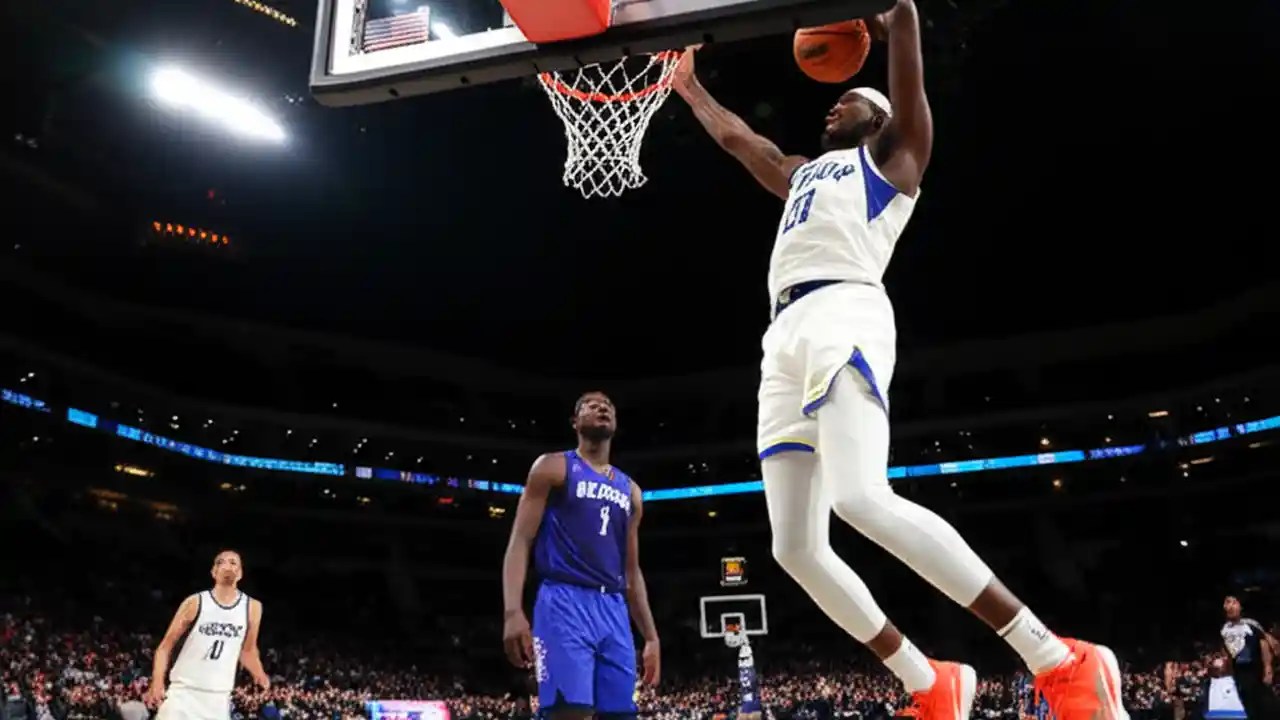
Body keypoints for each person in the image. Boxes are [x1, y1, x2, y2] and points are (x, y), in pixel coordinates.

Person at [671, 3, 1125, 719]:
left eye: (845, 100)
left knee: (858, 497)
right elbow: (742, 142)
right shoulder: (805, 176)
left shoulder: (894, 157)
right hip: (783, 334)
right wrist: (689, 88)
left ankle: (1058, 657)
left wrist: (895, 21)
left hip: (843, 310)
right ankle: (929, 681)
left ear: (877, 118)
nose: (831, 108)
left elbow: (907, 68)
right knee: (793, 547)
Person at [501, 391, 661, 720]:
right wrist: (512, 611)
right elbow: (520, 539)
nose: (602, 407)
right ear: (575, 422)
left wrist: (651, 637)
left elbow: (632, 572)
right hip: (563, 600)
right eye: (591, 404)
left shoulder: (631, 491)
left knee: (620, 715)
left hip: (614, 608)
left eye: (608, 406)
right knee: (568, 713)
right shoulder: (553, 467)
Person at [145, 549, 270, 720]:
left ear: (240, 573)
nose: (227, 565)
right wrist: (157, 681)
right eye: (221, 562)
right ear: (213, 572)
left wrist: (259, 673)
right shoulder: (195, 602)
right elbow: (165, 647)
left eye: (233, 562)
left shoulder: (252, 607)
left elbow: (247, 650)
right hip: (184, 694)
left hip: (218, 699)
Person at [1220, 595, 1278, 720]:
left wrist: (1268, 668)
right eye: (1227, 603)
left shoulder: (1251, 624)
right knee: (1249, 706)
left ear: (1240, 607)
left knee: (1266, 705)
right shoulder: (1223, 630)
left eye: (1234, 603)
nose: (1230, 606)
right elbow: (1227, 653)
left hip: (1257, 671)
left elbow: (1263, 645)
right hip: (1240, 674)